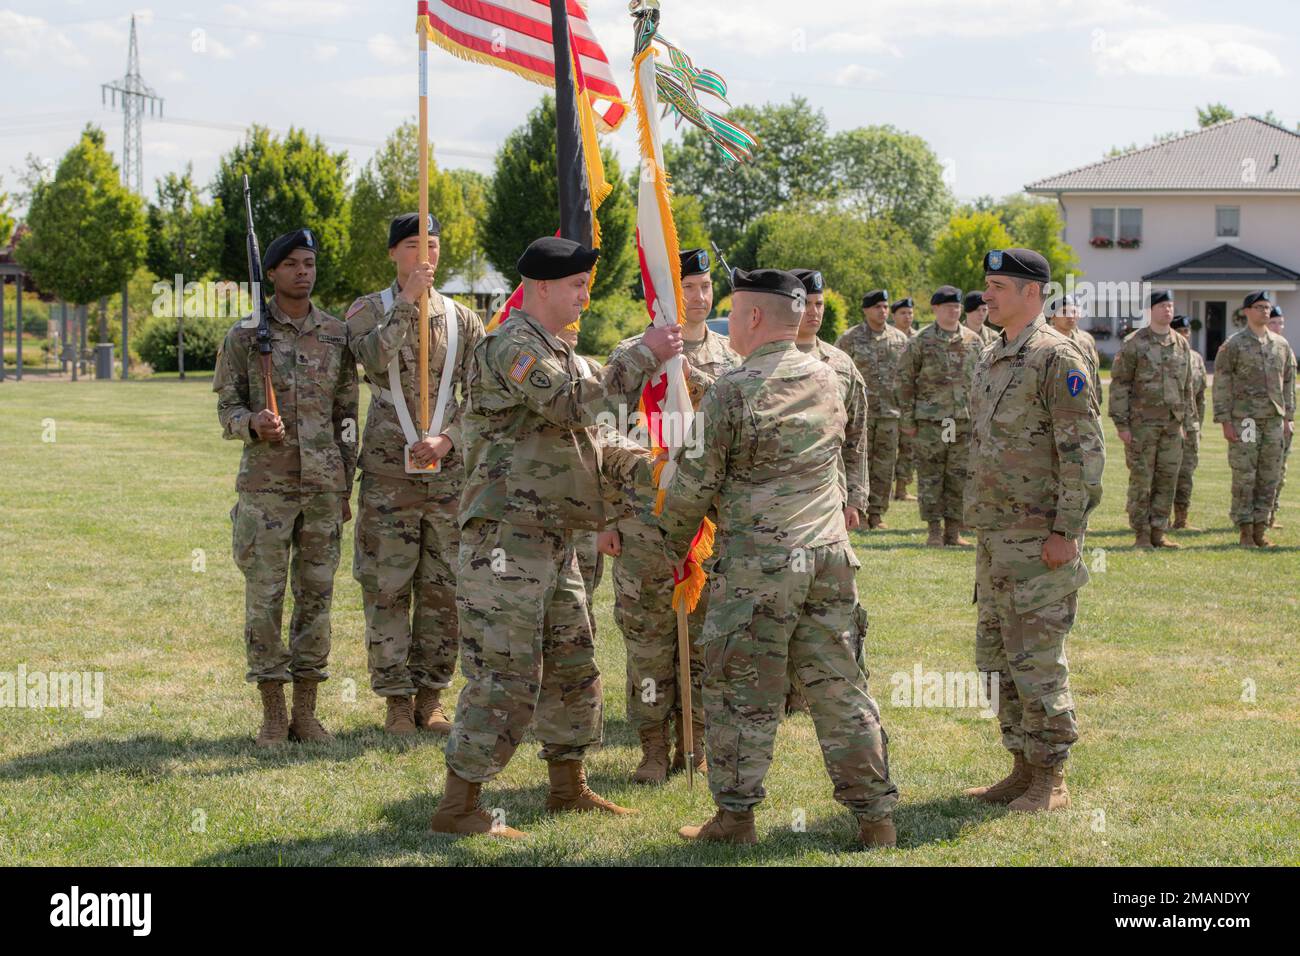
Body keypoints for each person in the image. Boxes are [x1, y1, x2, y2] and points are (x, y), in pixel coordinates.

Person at [429, 236, 682, 839]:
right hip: (506, 539)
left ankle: (567, 789)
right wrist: (641, 353)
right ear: (541, 287)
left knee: (573, 665)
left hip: (554, 538)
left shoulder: (561, 350)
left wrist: (650, 462)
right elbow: (573, 405)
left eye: (587, 283)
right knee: (505, 673)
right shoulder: (510, 347)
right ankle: (458, 805)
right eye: (575, 284)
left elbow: (588, 440)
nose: (584, 293)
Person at [660, 268, 897, 848]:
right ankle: (876, 820)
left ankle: (735, 819)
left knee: (742, 692)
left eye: (735, 312)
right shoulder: (829, 377)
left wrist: (668, 543)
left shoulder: (733, 391)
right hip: (828, 559)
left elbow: (690, 490)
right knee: (841, 687)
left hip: (758, 568)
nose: (729, 322)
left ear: (755, 318)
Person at [963, 248, 1104, 813]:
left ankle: (1052, 778)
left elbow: (1083, 452)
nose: (987, 296)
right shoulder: (995, 354)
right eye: (988, 286)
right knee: (996, 657)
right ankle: (1021, 767)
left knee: (1038, 659)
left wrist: (1066, 531)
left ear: (1032, 293)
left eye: (998, 286)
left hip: (1040, 539)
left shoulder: (1055, 356)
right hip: (996, 538)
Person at [213, 228, 358, 746]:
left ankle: (307, 711)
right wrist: (252, 421)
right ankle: (273, 713)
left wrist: (345, 482)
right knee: (266, 597)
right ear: (271, 272)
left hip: (323, 487)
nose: (303, 271)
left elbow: (346, 415)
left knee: (316, 596)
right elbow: (225, 407)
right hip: (266, 489)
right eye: (292, 264)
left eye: (310, 263)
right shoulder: (246, 336)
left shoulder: (337, 334)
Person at [344, 213, 485, 735]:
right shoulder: (367, 310)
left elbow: (485, 398)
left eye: (432, 244)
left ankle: (430, 697)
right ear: (392, 254)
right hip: (389, 474)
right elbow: (373, 361)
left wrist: (450, 439)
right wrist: (406, 303)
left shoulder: (463, 319)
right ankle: (396, 701)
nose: (424, 254)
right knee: (387, 586)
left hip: (447, 476)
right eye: (411, 245)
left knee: (443, 589)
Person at [606, 247, 740, 784]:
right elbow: (603, 434)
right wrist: (605, 518)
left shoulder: (733, 358)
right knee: (647, 642)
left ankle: (698, 740)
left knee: (706, 639)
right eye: (687, 288)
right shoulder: (631, 355)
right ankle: (652, 746)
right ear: (663, 293)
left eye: (706, 286)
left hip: (708, 529)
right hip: (643, 522)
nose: (700, 297)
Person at [1108, 289, 1196, 549]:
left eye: (1170, 306)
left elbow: (1187, 387)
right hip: (1141, 425)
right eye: (1162, 306)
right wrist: (1122, 425)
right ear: (1150, 311)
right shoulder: (1135, 342)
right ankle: (1142, 534)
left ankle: (1159, 531)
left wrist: (1186, 424)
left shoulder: (1181, 344)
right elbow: (1120, 384)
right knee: (1142, 480)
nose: (1167, 310)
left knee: (1167, 478)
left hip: (1172, 425)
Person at [898, 285, 983, 547]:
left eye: (957, 307)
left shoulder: (973, 341)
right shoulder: (920, 341)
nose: (954, 311)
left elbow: (983, 381)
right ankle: (934, 531)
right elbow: (904, 381)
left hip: (962, 421)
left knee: (959, 477)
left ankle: (953, 531)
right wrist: (908, 420)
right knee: (931, 477)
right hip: (932, 422)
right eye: (948, 307)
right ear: (935, 309)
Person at [1212, 291, 1295, 548]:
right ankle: (1245, 530)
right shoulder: (1234, 344)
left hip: (1272, 420)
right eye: (1259, 307)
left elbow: (1288, 383)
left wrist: (1288, 417)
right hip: (1245, 420)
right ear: (1246, 311)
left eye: (1267, 307)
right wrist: (1225, 420)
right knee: (1246, 475)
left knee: (1269, 476)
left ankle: (1261, 528)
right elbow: (1222, 383)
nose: (1264, 312)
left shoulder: (1280, 345)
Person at [836, 290, 909, 529]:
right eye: (877, 306)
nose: (883, 311)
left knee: (884, 466)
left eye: (886, 307)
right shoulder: (850, 338)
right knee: (859, 463)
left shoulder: (899, 339)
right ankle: (859, 511)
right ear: (866, 310)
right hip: (860, 415)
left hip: (890, 412)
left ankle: (877, 513)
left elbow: (908, 376)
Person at [1170, 315, 1207, 532]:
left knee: (1186, 474)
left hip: (1190, 426)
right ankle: (1159, 519)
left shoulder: (1196, 359)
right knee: (1163, 474)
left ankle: (1182, 519)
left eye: (1187, 331)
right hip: (1168, 424)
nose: (1185, 335)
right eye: (1180, 331)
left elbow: (1200, 397)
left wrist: (1198, 424)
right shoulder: (1166, 356)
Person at [1266, 305, 1296, 529]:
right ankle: (1252, 517)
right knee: (1256, 469)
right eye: (1273, 322)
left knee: (1280, 468)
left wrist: (1290, 417)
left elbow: (1289, 389)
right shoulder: (1254, 347)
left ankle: (1270, 515)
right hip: (1256, 420)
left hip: (1282, 419)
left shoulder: (1285, 349)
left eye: (1280, 323)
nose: (1277, 327)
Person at [1046, 294, 1100, 410]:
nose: (1071, 316)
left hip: (1079, 409)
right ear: (1053, 316)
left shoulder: (1085, 342)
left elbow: (1094, 376)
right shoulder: (1042, 341)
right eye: (1064, 312)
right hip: (1049, 409)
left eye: (1074, 312)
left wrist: (1094, 407)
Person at [890, 297, 918, 501]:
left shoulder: (918, 338)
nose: (907, 316)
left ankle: (902, 488)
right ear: (894, 316)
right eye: (903, 313)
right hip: (888, 403)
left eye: (910, 313)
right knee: (888, 449)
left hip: (911, 403)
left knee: (908, 449)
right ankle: (885, 489)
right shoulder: (890, 337)